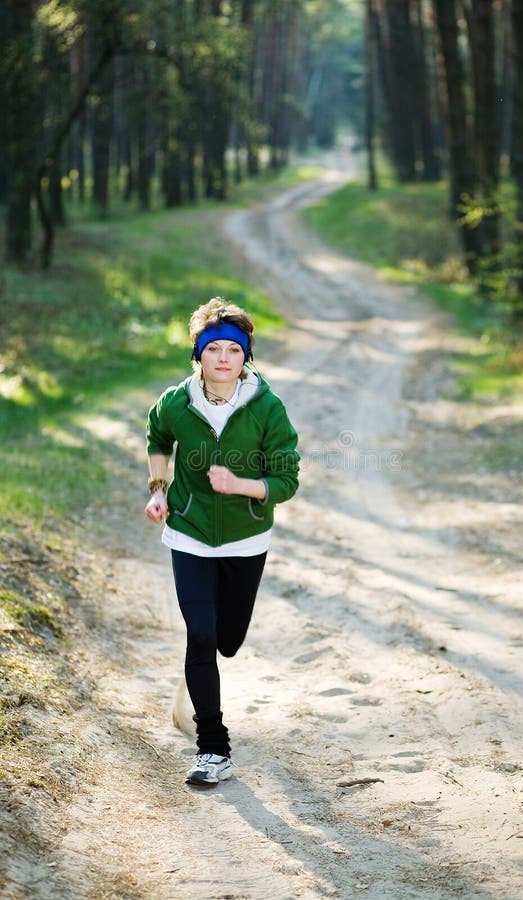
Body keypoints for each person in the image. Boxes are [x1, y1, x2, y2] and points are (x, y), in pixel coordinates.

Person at [144, 297, 299, 786]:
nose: (225, 358)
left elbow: (286, 480)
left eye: (235, 349)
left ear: (246, 357)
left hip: (246, 537)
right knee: (201, 634)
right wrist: (158, 490)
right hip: (188, 532)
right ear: (200, 356)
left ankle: (199, 677)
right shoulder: (176, 401)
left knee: (227, 640)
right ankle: (213, 748)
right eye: (215, 350)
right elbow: (157, 436)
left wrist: (240, 486)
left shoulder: (267, 408)